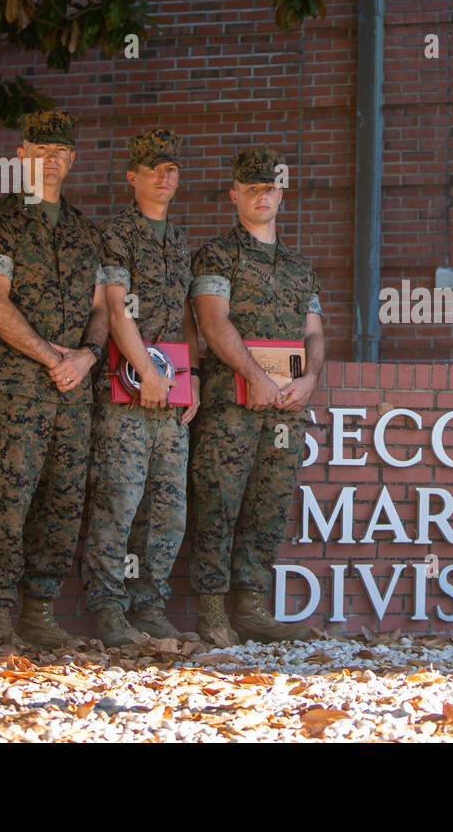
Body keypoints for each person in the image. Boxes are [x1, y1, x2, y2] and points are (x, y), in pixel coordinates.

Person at [0, 110, 108, 650]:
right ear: (22, 156)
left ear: (71, 160)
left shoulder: (84, 232)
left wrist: (88, 356)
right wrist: (55, 358)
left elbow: (101, 309)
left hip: (75, 391)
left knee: (65, 499)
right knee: (10, 496)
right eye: (41, 151)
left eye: (62, 153)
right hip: (19, 389)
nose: (52, 160)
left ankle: (40, 612)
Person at [189, 147, 324, 644]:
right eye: (251, 188)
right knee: (218, 502)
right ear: (234, 195)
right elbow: (212, 322)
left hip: (287, 407)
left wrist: (310, 380)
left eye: (269, 187)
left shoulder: (299, 266)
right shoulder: (217, 255)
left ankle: (250, 605)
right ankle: (211, 610)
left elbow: (314, 333)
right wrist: (255, 376)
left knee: (269, 505)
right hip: (232, 403)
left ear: (281, 194)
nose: (261, 195)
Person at [81, 129, 200, 646]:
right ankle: (108, 607)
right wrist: (146, 374)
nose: (163, 177)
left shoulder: (178, 238)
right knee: (119, 499)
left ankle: (150, 604)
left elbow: (188, 317)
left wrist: (189, 378)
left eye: (171, 169)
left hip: (170, 392)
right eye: (153, 169)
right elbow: (114, 306)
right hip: (126, 389)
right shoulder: (117, 233)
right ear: (133, 176)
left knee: (168, 506)